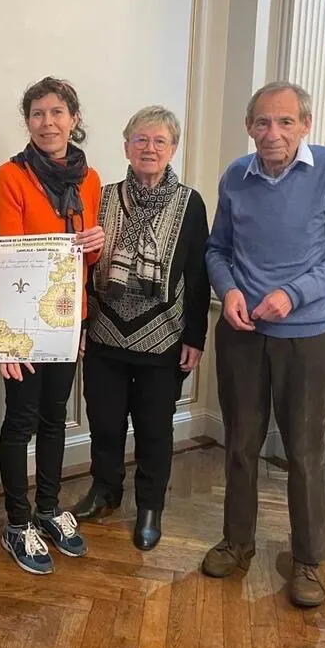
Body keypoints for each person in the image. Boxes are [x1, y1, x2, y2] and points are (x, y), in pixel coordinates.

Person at [202, 81, 325, 608]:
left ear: (306, 125)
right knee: (240, 446)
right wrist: (227, 289)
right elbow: (216, 248)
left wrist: (292, 295)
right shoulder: (235, 176)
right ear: (249, 126)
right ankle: (237, 541)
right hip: (243, 336)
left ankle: (308, 561)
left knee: (305, 453)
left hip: (309, 336)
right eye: (262, 123)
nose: (273, 133)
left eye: (285, 122)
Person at [71, 105, 210, 551]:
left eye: (159, 141)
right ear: (126, 145)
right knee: (105, 423)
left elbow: (198, 272)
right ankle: (105, 490)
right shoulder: (102, 196)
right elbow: (82, 261)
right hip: (105, 335)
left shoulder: (190, 202)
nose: (149, 149)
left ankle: (150, 505)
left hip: (164, 339)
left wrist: (195, 337)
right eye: (141, 140)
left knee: (155, 428)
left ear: (173, 148)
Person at [0, 76, 105, 575]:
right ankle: (17, 523)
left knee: (55, 417)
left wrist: (95, 242)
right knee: (21, 420)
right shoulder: (10, 175)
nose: (48, 122)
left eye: (57, 112)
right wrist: (9, 339)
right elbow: (14, 254)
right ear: (27, 121)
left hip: (69, 316)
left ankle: (48, 509)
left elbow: (88, 258)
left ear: (73, 120)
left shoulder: (91, 178)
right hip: (24, 319)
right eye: (38, 114)